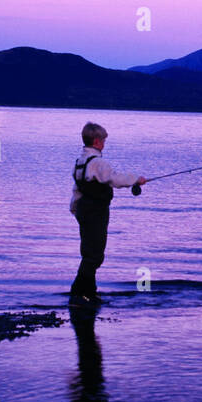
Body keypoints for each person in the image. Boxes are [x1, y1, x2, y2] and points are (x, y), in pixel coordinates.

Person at [70, 122, 147, 304]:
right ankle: (80, 292)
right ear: (97, 141)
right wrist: (137, 179)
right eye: (103, 140)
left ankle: (87, 292)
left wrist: (74, 210)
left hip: (83, 211)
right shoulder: (98, 163)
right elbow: (114, 178)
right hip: (96, 212)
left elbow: (77, 190)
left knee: (88, 252)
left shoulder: (80, 163)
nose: (104, 144)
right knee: (95, 255)